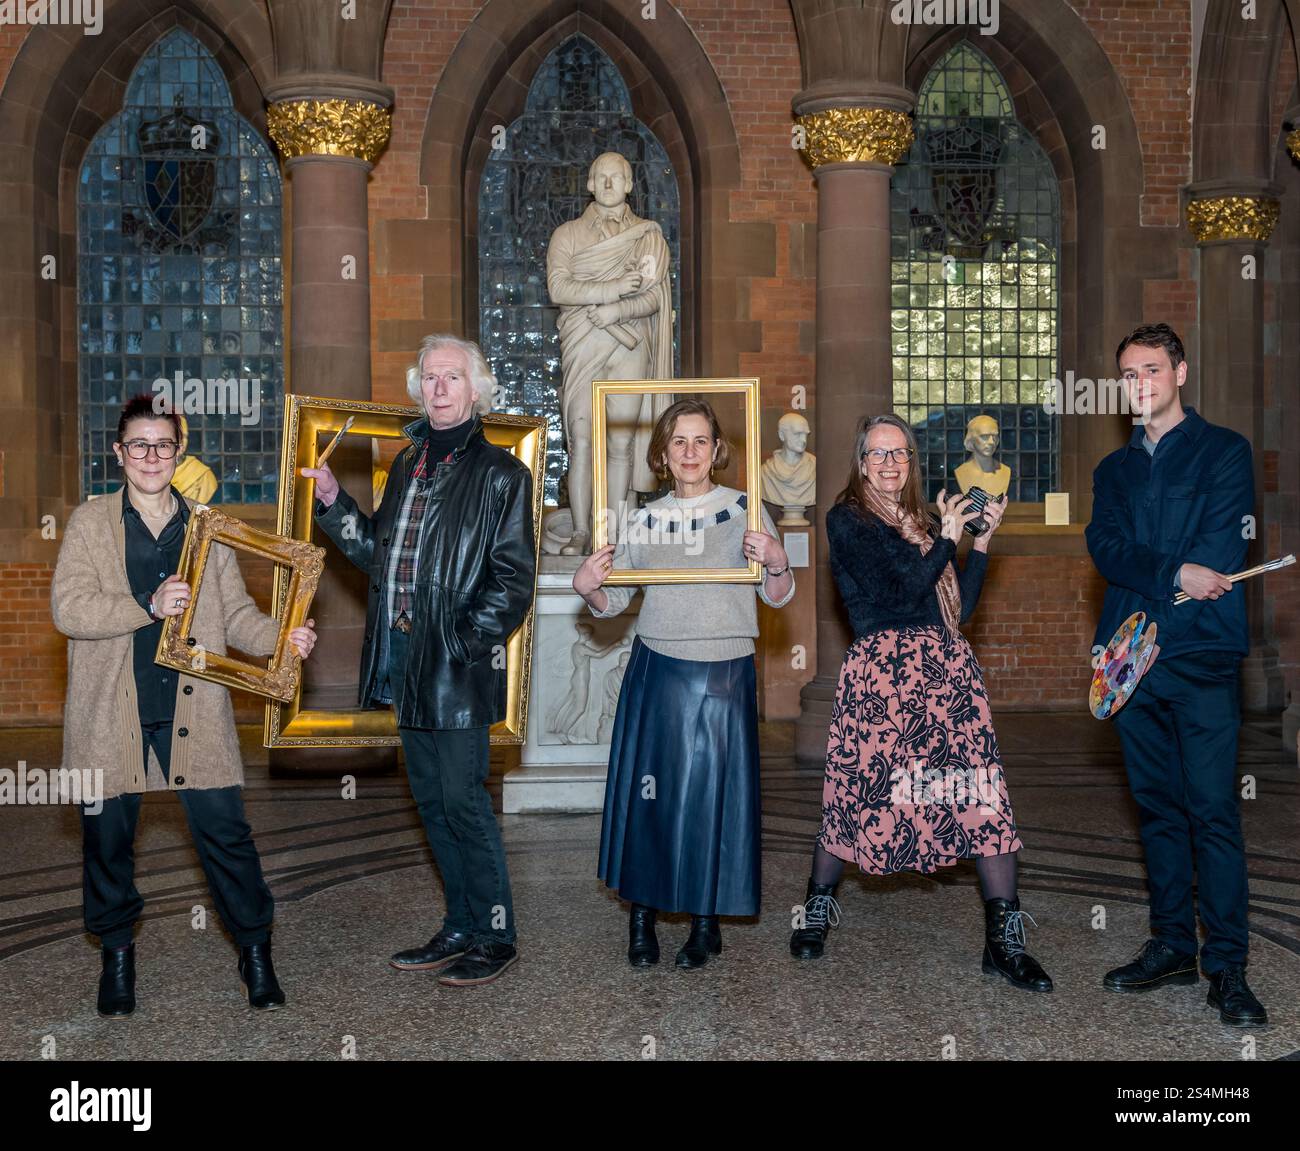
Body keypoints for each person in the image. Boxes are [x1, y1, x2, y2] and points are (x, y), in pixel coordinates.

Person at [51, 394, 317, 1016]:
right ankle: (117, 958)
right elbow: (69, 611)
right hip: (110, 711)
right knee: (107, 844)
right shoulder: (89, 523)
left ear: (178, 453)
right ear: (118, 454)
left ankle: (256, 952)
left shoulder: (208, 525)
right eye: (139, 445)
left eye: (163, 445)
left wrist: (284, 639)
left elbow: (238, 618)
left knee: (227, 835)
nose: (151, 456)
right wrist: (146, 606)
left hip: (194, 708)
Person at [303, 334, 536, 988]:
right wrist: (330, 502)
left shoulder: (501, 475)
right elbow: (380, 557)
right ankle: (459, 923)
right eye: (429, 377)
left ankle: (497, 933)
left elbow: (513, 580)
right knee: (431, 802)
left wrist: (462, 640)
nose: (438, 388)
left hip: (457, 664)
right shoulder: (406, 466)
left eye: (451, 377)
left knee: (464, 800)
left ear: (475, 390)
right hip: (404, 660)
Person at [790, 412, 1052, 993]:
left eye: (900, 453)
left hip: (946, 673)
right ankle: (816, 911)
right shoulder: (847, 520)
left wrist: (979, 541)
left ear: (911, 461)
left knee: (983, 798)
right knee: (857, 795)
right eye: (878, 454)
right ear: (861, 464)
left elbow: (961, 607)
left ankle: (1003, 943)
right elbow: (900, 590)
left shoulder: (926, 523)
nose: (889, 463)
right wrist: (949, 538)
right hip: (883, 677)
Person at [573, 398, 794, 969]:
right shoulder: (642, 519)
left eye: (701, 441)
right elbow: (615, 599)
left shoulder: (747, 510)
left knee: (710, 799)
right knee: (654, 796)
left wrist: (777, 560)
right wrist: (589, 586)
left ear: (717, 450)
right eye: (679, 442)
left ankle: (704, 920)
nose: (690, 452)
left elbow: (777, 595)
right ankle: (642, 918)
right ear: (663, 455)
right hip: (659, 667)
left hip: (725, 669)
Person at [1086, 323, 1264, 1026]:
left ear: (1180, 373)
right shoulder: (1111, 471)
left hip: (1200, 658)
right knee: (1157, 810)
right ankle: (1170, 945)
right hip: (1130, 664)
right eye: (1128, 373)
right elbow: (1107, 548)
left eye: (1152, 369)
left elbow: (1220, 551)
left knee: (1213, 812)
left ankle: (1228, 966)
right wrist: (1172, 573)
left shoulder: (1226, 453)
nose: (1140, 384)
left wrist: (1171, 574)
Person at [546, 150, 673, 553]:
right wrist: (613, 290)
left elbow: (653, 297)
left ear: (630, 184)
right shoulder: (567, 235)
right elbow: (559, 289)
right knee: (581, 438)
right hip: (583, 344)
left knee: (621, 444)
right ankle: (582, 530)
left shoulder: (648, 236)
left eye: (616, 176)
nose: (607, 183)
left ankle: (613, 533)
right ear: (588, 183)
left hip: (628, 348)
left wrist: (617, 310)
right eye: (599, 176)